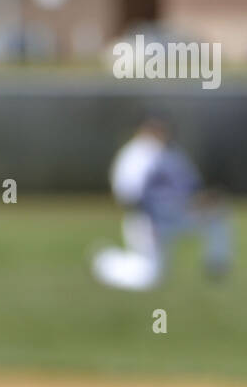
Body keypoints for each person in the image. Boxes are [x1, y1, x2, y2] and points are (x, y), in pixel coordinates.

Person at [91, 117, 232, 291]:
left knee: (217, 216)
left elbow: (192, 188)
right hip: (148, 222)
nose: (161, 132)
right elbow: (127, 196)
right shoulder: (135, 154)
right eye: (156, 128)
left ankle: (216, 268)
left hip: (179, 216)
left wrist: (205, 199)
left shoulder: (172, 153)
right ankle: (105, 262)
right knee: (150, 277)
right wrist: (152, 216)